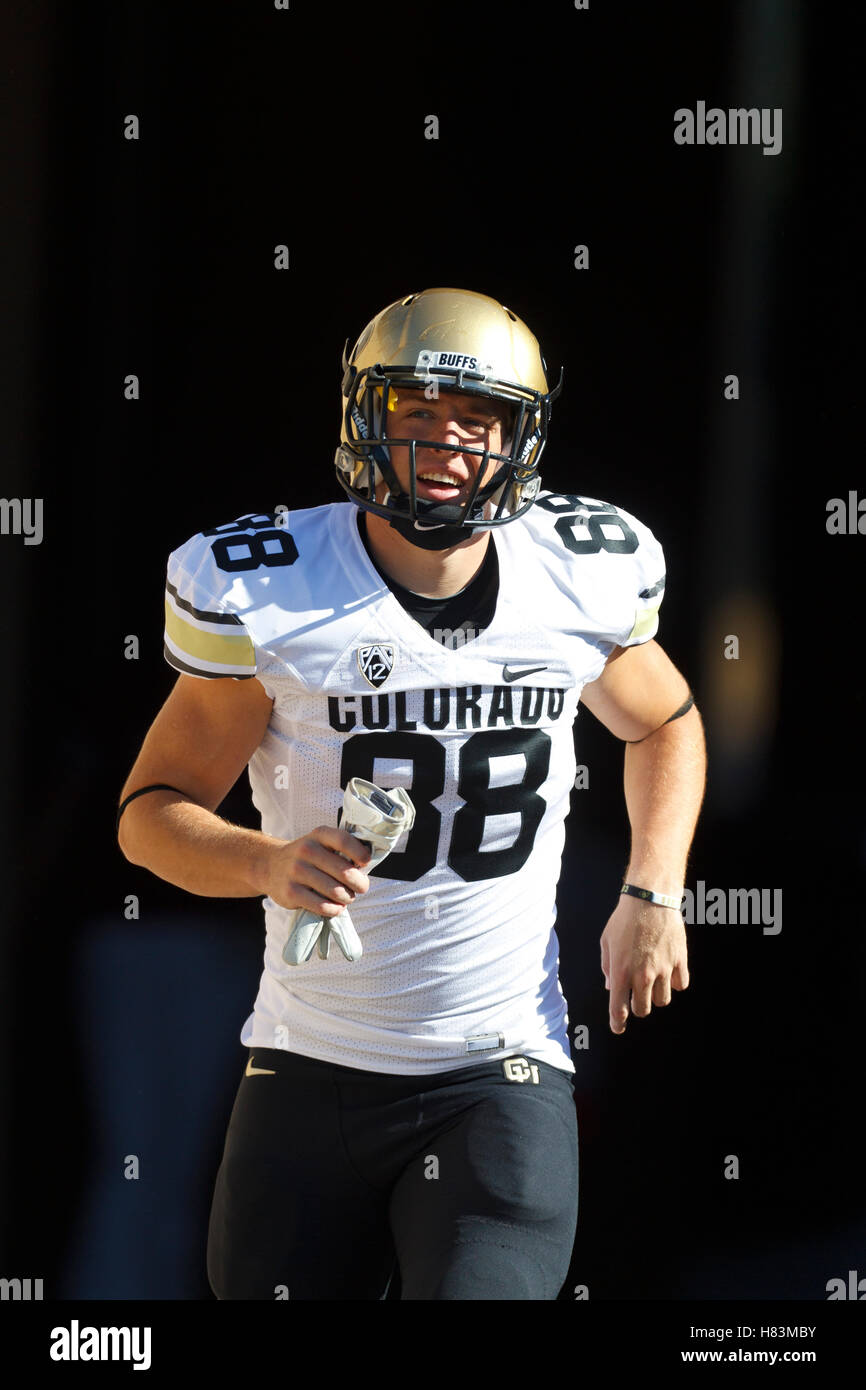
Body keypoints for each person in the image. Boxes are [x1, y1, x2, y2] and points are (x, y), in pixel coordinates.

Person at [116, 286, 706, 1301]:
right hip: (307, 1068)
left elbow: (663, 719)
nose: (443, 443)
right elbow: (148, 815)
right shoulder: (273, 591)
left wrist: (651, 891)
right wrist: (265, 861)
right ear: (363, 417)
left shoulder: (575, 575)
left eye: (474, 420)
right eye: (416, 411)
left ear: (519, 439)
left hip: (501, 1067)